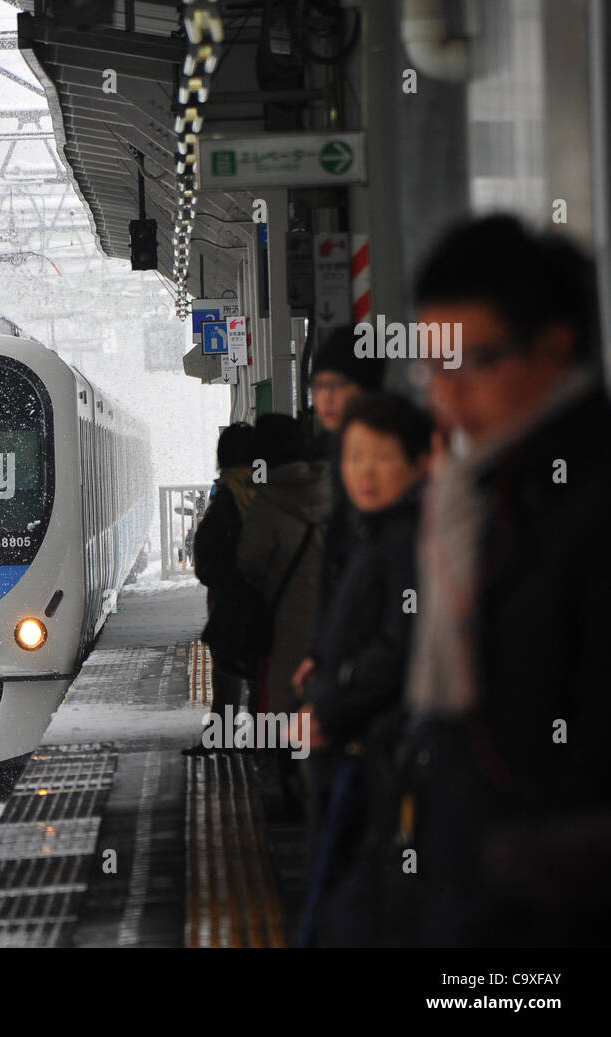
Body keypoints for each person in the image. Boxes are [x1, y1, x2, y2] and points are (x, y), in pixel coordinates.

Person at [393, 214, 611, 945]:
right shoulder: (481, 482)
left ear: (554, 347)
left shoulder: (577, 495)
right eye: (431, 366)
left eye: (471, 363)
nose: (444, 396)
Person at [294, 391, 432, 945]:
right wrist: (323, 664)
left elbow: (401, 647)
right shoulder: (376, 533)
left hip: (377, 754)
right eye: (353, 456)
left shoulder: (406, 542)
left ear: (420, 462)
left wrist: (331, 705)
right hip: (361, 749)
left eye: (382, 456)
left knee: (350, 907)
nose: (364, 472)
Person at [292, 327, 386, 698]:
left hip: (367, 672)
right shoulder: (336, 457)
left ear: (365, 389)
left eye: (339, 384)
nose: (326, 397)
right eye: (319, 385)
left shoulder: (381, 461)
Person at [237, 414, 332, 717]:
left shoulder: (268, 503)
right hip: (336, 620)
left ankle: (290, 760)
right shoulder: (331, 490)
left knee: (289, 711)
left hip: (288, 625)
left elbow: (249, 561)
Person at [193, 422, 257, 711]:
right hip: (265, 597)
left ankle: (223, 737)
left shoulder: (229, 495)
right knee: (260, 675)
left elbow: (208, 554)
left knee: (227, 673)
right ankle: (267, 741)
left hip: (232, 598)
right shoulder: (265, 490)